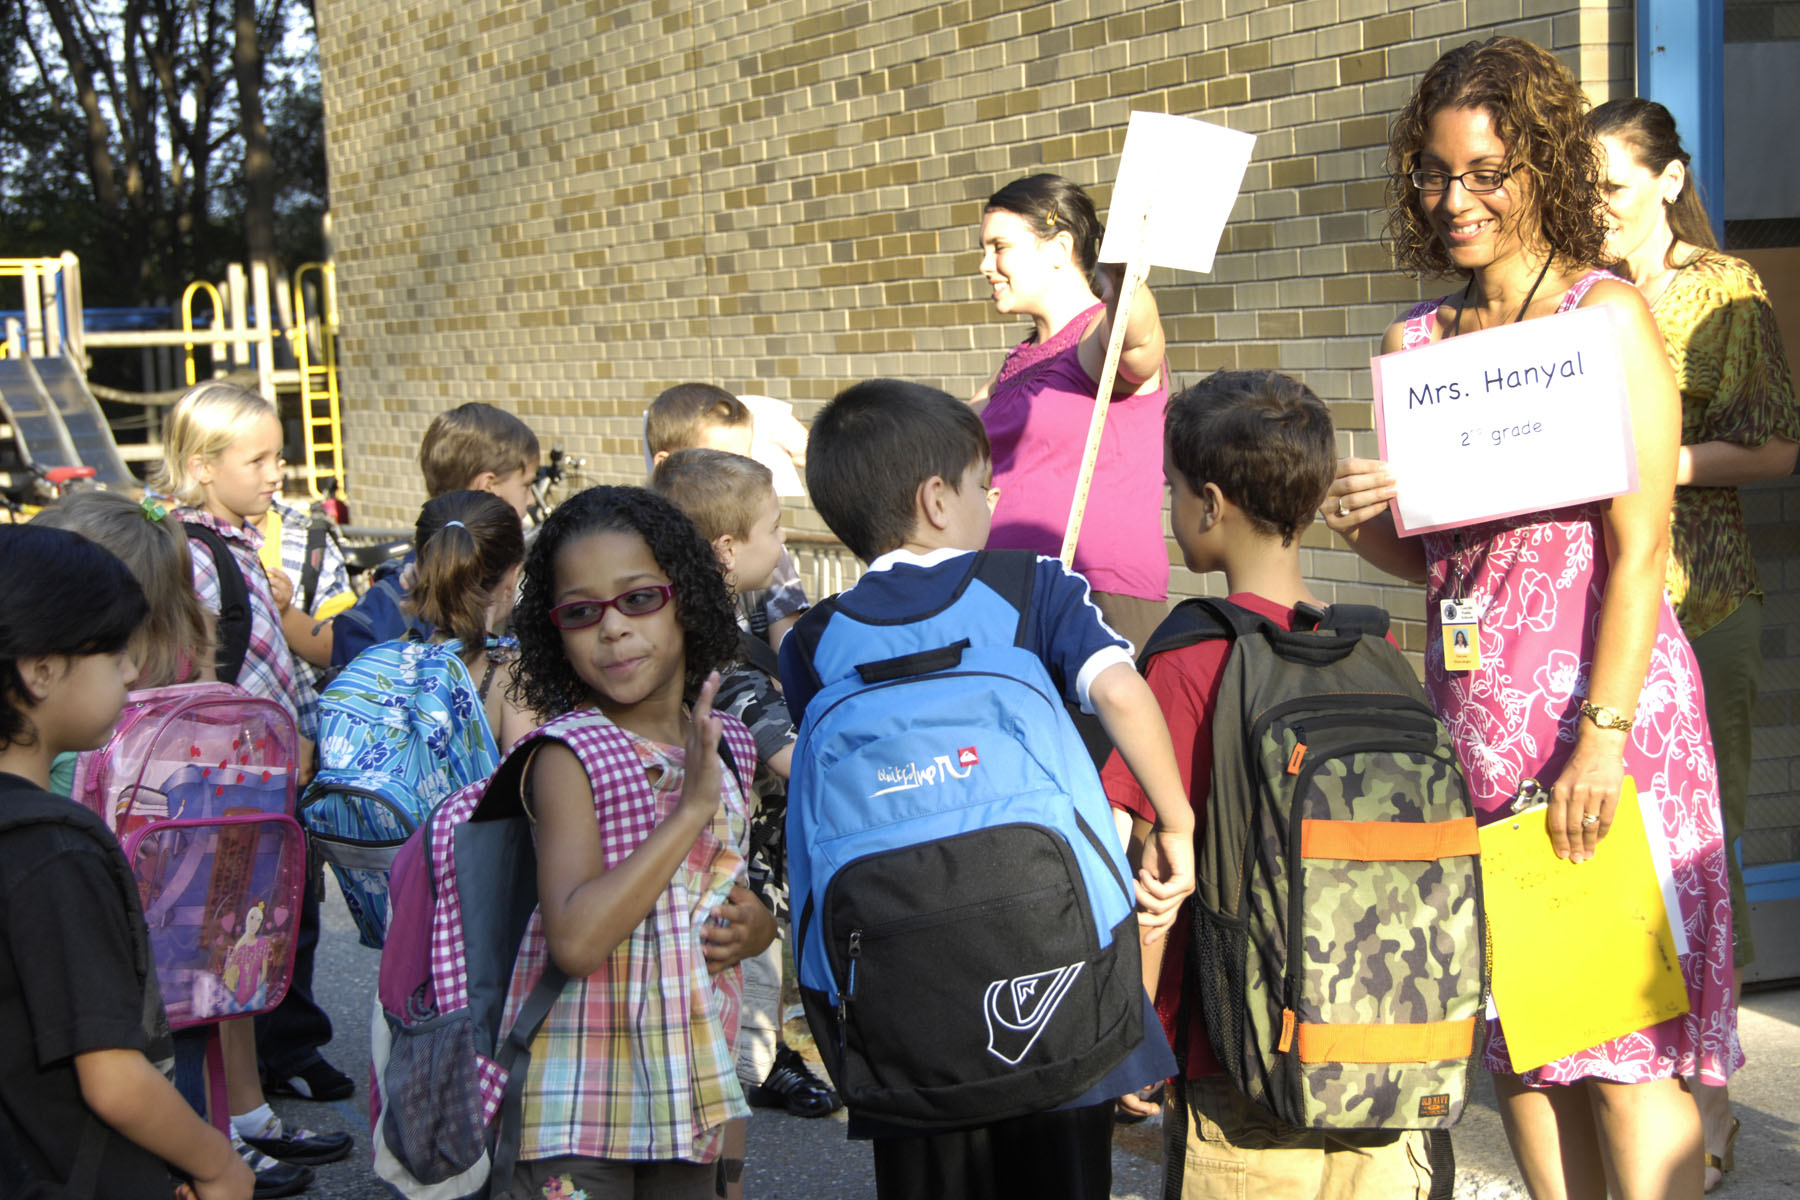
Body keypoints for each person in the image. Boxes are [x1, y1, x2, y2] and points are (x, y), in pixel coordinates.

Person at [1324, 37, 1740, 1200]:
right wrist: (1363, 521)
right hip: (1480, 733)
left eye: (1485, 171)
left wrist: (1600, 740)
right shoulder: (1420, 345)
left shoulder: (1602, 318)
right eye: (1434, 174)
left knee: (1617, 1039)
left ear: (1543, 167)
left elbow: (1642, 541)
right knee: (1521, 1027)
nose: (1456, 200)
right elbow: (1449, 567)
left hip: (1602, 724)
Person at [778, 378, 1195, 1200]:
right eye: (981, 484)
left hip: (902, 995)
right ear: (937, 499)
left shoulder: (813, 643)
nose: (992, 498)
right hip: (1055, 965)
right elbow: (1119, 691)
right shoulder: (1028, 587)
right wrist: (1174, 821)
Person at [1101, 371, 1446, 1198]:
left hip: (1238, 1060)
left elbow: (1150, 873)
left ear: (1209, 504)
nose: (1172, 509)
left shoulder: (1189, 661)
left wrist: (1132, 1033)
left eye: (1172, 491)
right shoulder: (1378, 653)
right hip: (1386, 1051)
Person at [1590, 96, 1799, 1191]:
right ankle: (1622, 1061)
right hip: (1593, 611)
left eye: (1615, 188)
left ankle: (1711, 1091)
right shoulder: (1572, 296)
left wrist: (1654, 460)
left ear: (1670, 182)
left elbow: (1774, 452)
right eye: (1584, 192)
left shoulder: (1727, 292)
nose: (1597, 210)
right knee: (1613, 850)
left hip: (1703, 602)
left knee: (1699, 854)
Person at [33, 492, 349, 1193]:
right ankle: (228, 1134)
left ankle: (221, 1140)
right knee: (185, 1059)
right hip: (187, 928)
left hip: (124, 946)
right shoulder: (180, 650)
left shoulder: (58, 771)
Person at [496, 485, 777, 1199]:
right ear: (555, 632)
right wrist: (686, 814)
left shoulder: (730, 744)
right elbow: (578, 941)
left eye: (639, 599)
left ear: (686, 600)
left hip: (693, 1095)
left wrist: (754, 926)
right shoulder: (568, 753)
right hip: (580, 1107)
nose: (613, 629)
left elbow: (724, 899)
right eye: (582, 612)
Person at [0, 523, 254, 1200]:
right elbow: (114, 1078)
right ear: (40, 670)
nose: (133, 670)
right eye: (113, 653)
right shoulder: (54, 849)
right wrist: (218, 1163)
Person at [151, 380, 358, 1110]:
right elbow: (204, 679)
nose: (277, 473)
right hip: (230, 779)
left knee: (272, 921)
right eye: (259, 459)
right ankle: (240, 1100)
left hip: (266, 769)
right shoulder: (198, 557)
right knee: (236, 936)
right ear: (203, 465)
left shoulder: (239, 546)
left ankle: (257, 1085)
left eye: (281, 456)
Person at [652, 449, 840, 1196]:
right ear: (727, 550)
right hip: (727, 887)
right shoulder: (715, 659)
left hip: (722, 880)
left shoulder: (696, 627)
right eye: (774, 531)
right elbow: (794, 760)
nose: (785, 546)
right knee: (721, 1054)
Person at [970, 173, 1171, 652]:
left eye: (1000, 246)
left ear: (1059, 248)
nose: (985, 264)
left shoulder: (1096, 337)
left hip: (1093, 594)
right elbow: (936, 442)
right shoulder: (1015, 365)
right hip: (1008, 596)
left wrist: (1123, 282)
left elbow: (1138, 340)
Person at [330, 401, 541, 669]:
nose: (532, 499)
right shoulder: (498, 593)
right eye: (526, 485)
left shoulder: (383, 604)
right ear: (489, 488)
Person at [643, 383, 811, 647]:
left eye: (744, 456)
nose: (739, 469)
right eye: (718, 458)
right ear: (664, 462)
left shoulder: (765, 550)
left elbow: (784, 659)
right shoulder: (636, 555)